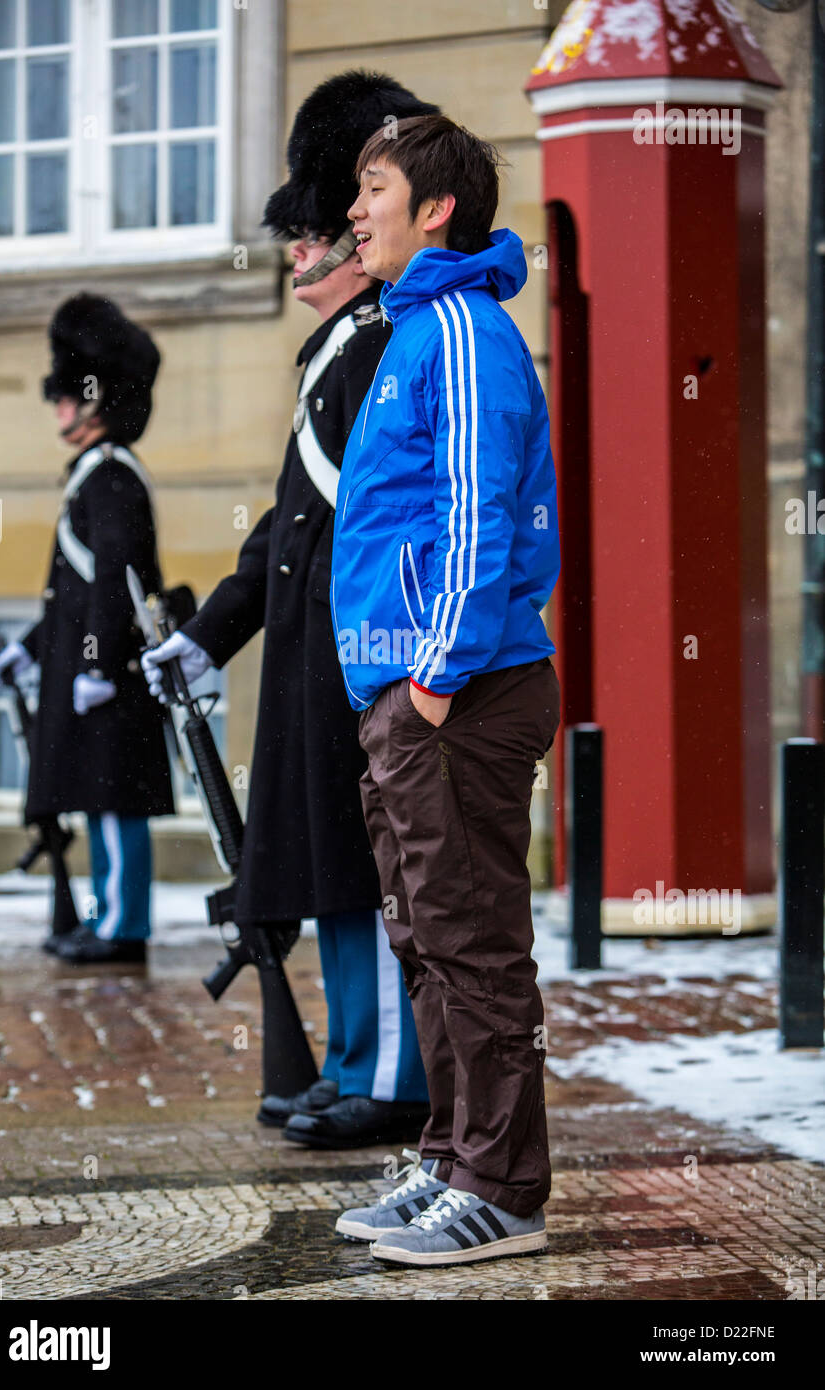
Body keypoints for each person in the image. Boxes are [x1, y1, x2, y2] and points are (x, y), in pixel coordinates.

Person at [142, 72, 438, 1149]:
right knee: (331, 870)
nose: (296, 253)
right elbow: (283, 531)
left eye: (311, 233)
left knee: (371, 869)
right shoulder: (332, 355)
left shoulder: (375, 348)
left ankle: (398, 1075)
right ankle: (358, 1055)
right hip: (315, 653)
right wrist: (204, 634)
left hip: (357, 650)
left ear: (349, 246)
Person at [332, 114, 562, 1263]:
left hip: (455, 694)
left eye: (370, 188)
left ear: (433, 208)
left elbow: (476, 512)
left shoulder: (463, 328)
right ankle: (452, 1156)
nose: (351, 211)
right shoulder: (410, 329)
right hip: (407, 692)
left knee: (470, 941)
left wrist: (430, 678)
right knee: (424, 936)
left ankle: (504, 1188)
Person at [0, 294, 174, 964]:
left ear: (98, 403)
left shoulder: (112, 478)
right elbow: (71, 593)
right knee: (97, 802)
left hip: (111, 678)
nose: (60, 408)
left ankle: (124, 927)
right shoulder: (94, 477)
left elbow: (114, 584)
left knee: (115, 806)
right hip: (95, 675)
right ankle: (107, 918)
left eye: (69, 396)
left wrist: (96, 666)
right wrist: (27, 649)